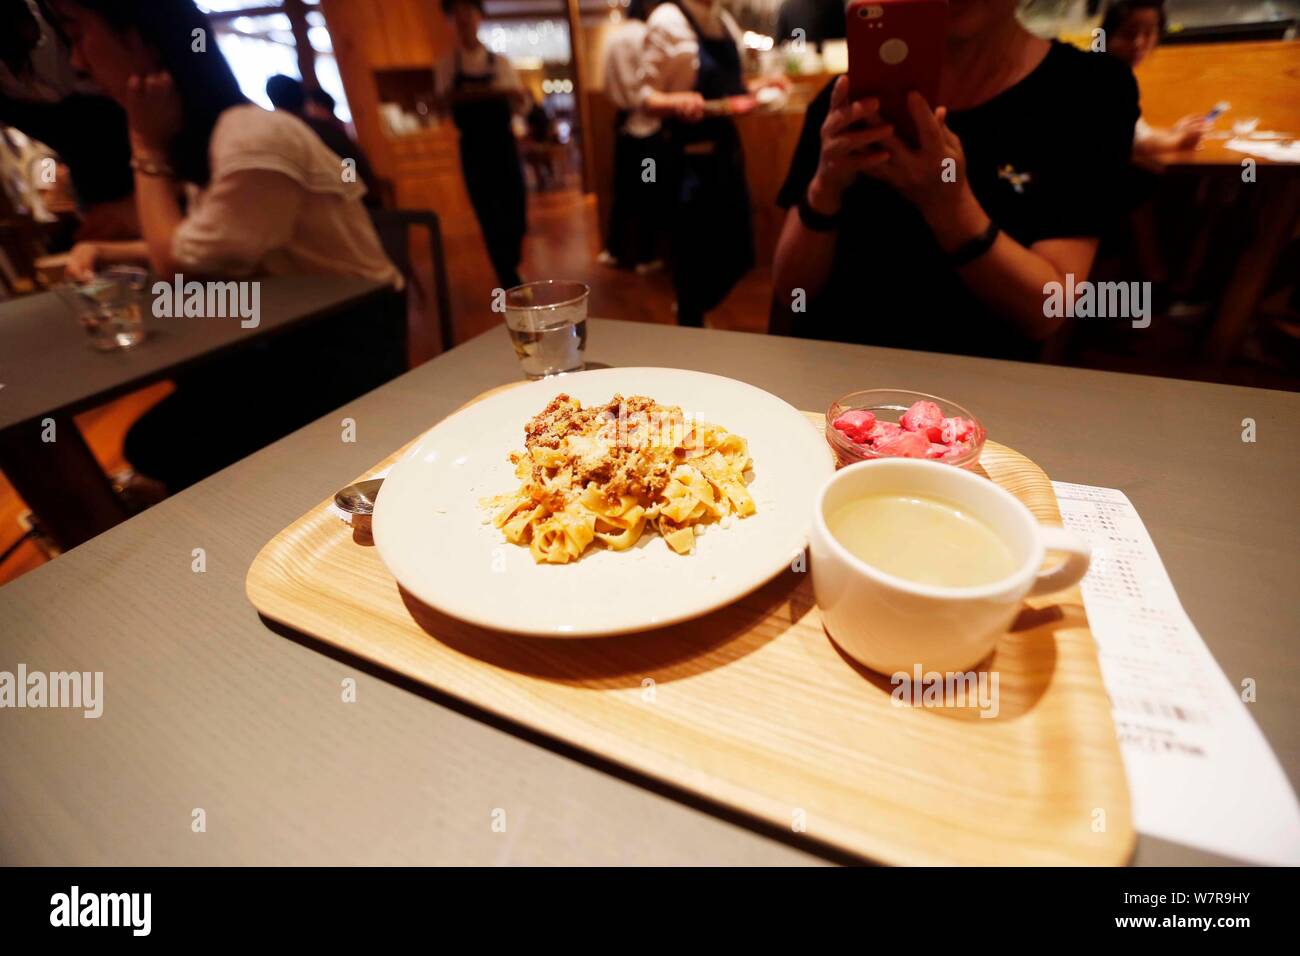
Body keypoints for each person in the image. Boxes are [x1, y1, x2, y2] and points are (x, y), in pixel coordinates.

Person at [42, 0, 406, 491]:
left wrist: (145, 148)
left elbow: (178, 268)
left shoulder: (251, 138)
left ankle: (257, 516)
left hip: (352, 345)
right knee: (185, 404)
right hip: (295, 337)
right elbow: (197, 247)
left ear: (139, 40)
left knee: (157, 442)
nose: (78, 61)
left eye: (77, 33)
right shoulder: (216, 140)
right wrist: (110, 252)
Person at [771, 0, 1139, 360]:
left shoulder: (1089, 93)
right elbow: (792, 292)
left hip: (978, 394)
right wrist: (825, 186)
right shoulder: (846, 103)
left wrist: (948, 204)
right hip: (837, 387)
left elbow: (1045, 311)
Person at [639, 0, 777, 327]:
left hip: (727, 155)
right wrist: (679, 101)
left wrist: (761, 87)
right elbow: (645, 98)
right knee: (693, 261)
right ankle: (691, 332)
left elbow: (734, 88)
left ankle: (703, 319)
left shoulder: (723, 19)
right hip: (687, 161)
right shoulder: (667, 19)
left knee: (736, 252)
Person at [0, 0, 136, 239]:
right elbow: (45, 152)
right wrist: (50, 186)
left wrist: (49, 183)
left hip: (160, 163)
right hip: (89, 204)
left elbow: (41, 156)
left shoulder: (65, 18)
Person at [435, 0, 527, 290]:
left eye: (468, 11)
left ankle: (510, 262)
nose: (463, 19)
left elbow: (520, 104)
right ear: (451, 19)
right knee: (488, 214)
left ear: (479, 16)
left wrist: (509, 95)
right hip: (474, 149)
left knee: (516, 211)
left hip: (504, 146)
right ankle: (507, 277)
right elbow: (442, 107)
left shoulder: (500, 63)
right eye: (457, 12)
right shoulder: (447, 66)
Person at [597, 0, 665, 273]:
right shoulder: (648, 36)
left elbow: (606, 85)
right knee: (649, 191)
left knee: (623, 192)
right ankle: (646, 257)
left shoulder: (613, 40)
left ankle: (615, 251)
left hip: (625, 131)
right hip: (649, 131)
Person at [265, 73, 382, 206]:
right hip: (359, 200)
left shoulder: (303, 134)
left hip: (355, 207)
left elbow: (349, 171)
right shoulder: (322, 129)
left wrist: (350, 191)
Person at [774, 0, 846, 51]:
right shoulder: (787, 6)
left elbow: (778, 46)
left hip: (831, 64)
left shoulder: (836, 4)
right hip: (830, 64)